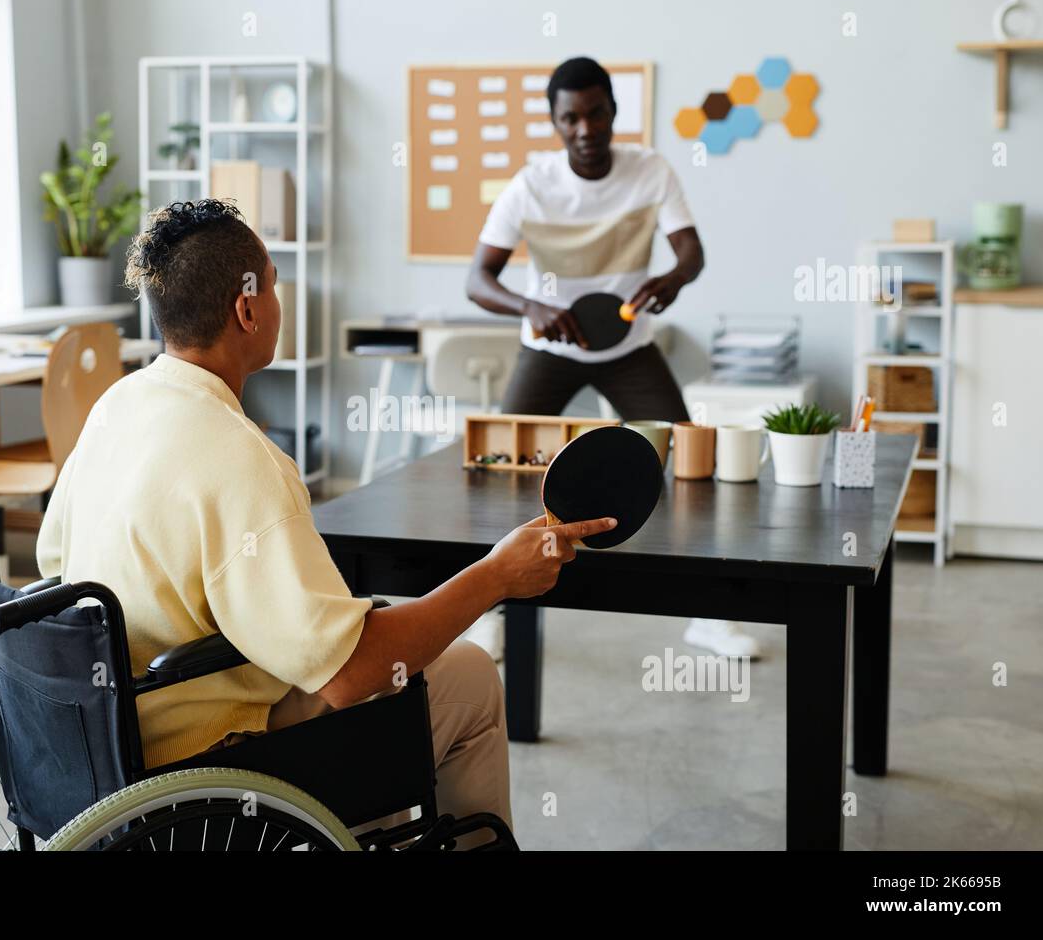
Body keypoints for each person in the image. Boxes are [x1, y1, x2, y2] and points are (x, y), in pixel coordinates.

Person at [36, 199, 616, 843]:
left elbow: (51, 565)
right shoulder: (240, 456)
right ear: (248, 310)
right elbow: (347, 674)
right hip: (200, 763)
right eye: (275, 288)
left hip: (104, 740)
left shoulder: (116, 405)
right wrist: (495, 578)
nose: (279, 305)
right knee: (471, 674)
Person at [465, 56, 760, 659]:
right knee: (501, 468)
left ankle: (707, 614)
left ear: (613, 113)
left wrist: (672, 279)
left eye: (596, 113)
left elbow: (692, 254)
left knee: (688, 459)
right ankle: (487, 612)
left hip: (629, 348)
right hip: (550, 348)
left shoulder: (651, 172)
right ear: (555, 122)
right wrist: (531, 308)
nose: (585, 129)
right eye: (570, 118)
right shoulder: (531, 184)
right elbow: (478, 280)